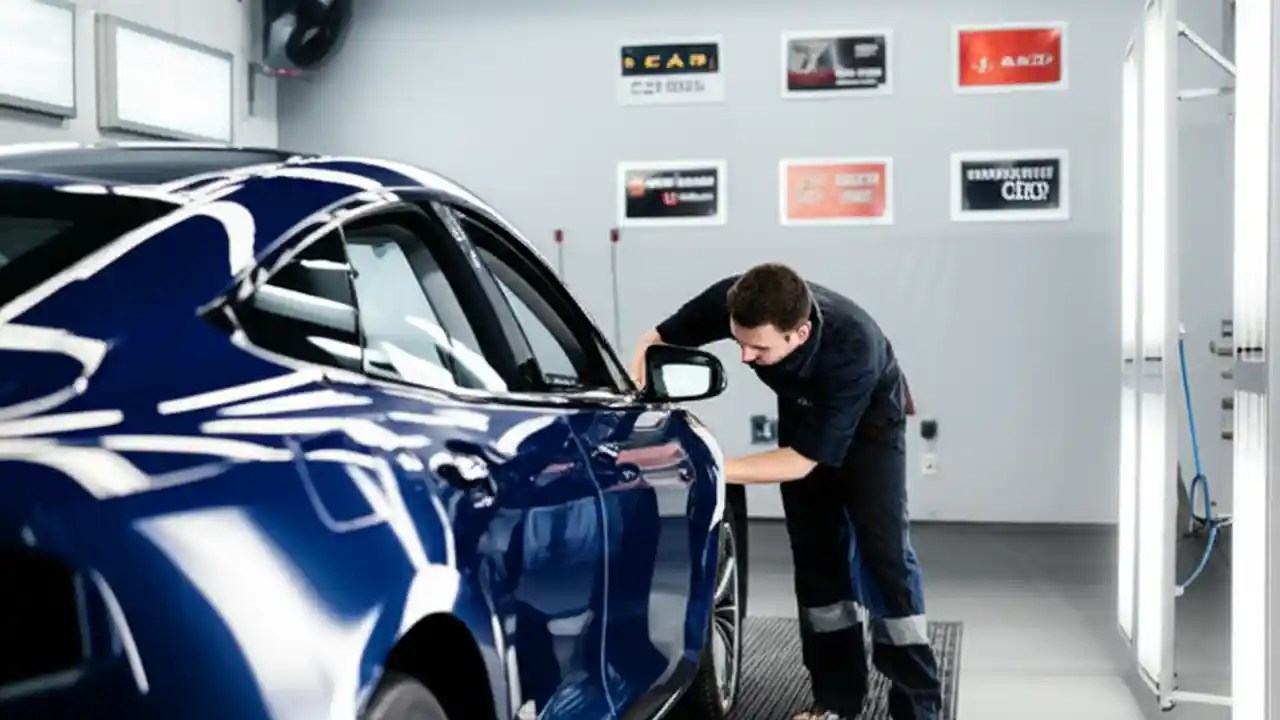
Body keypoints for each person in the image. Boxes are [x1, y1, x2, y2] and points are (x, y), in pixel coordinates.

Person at [629, 263, 941, 720]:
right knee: (816, 556)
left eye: (759, 347)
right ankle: (836, 702)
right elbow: (651, 340)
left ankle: (918, 705)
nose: (745, 357)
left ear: (800, 333)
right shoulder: (737, 300)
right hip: (802, 412)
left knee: (885, 558)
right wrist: (641, 399)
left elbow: (799, 462)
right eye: (739, 342)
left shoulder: (853, 348)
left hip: (872, 429)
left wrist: (708, 467)